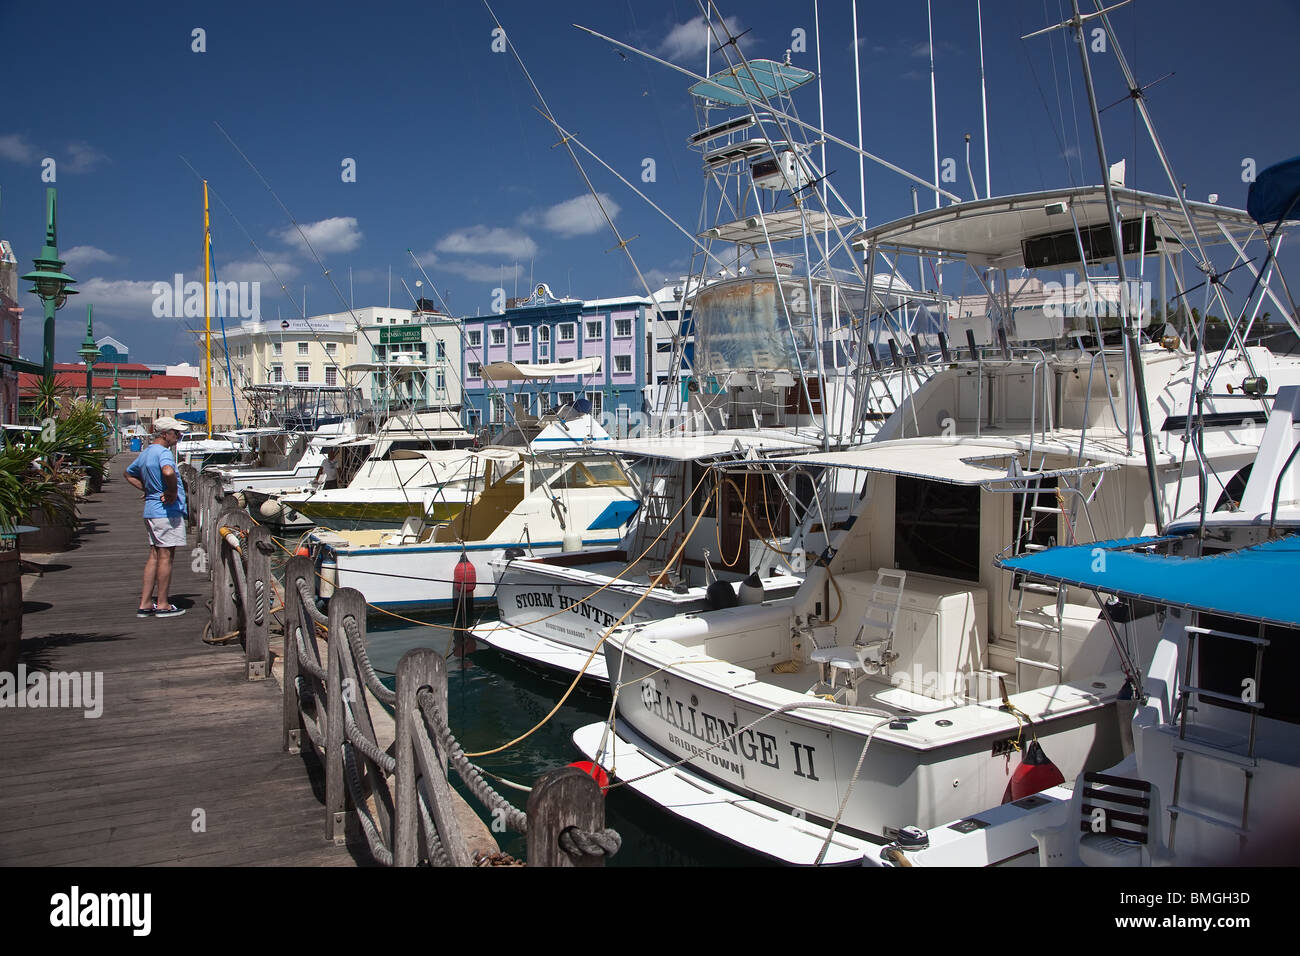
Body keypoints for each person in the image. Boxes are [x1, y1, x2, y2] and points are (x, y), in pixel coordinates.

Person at [124, 417, 190, 618]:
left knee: (154, 554)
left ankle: (145, 602)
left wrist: (147, 488)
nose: (178, 436)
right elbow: (168, 471)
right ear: (164, 434)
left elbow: (128, 473)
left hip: (152, 510)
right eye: (175, 432)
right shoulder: (163, 453)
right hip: (166, 513)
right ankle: (162, 604)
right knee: (166, 556)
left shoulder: (146, 453)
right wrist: (171, 491)